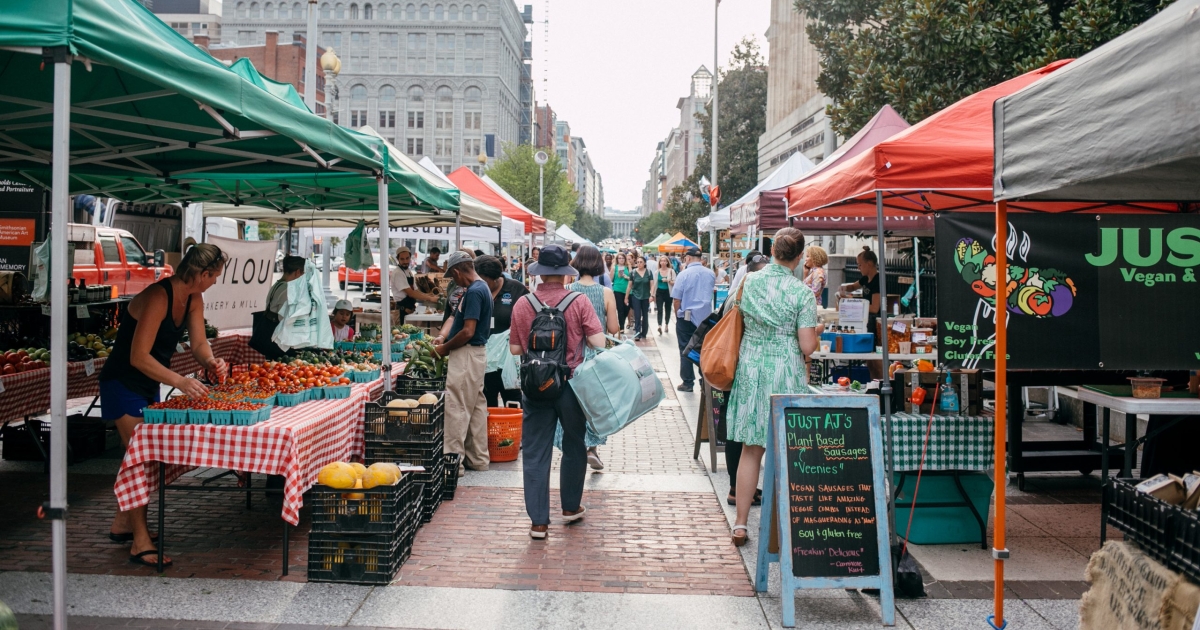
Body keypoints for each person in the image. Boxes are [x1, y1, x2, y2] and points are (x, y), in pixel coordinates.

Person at [101, 244, 230, 567]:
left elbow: (199, 343)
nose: (214, 282)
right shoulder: (160, 296)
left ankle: (122, 524)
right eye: (214, 276)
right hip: (122, 381)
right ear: (202, 274)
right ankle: (139, 542)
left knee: (137, 454)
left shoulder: (193, 298)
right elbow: (137, 356)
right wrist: (181, 381)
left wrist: (211, 361)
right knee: (140, 457)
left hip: (147, 382)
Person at [727, 228, 821, 546]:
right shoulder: (801, 293)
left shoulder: (748, 281)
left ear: (772, 250)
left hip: (751, 369)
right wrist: (817, 331)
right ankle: (786, 528)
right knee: (787, 453)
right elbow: (807, 346)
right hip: (785, 373)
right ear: (798, 258)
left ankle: (740, 524)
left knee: (750, 451)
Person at [509, 244, 605, 539]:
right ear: (565, 273)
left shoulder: (524, 304)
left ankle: (538, 522)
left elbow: (515, 348)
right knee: (575, 444)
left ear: (539, 273)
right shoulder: (577, 301)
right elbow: (599, 342)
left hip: (535, 386)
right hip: (570, 385)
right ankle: (570, 507)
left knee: (536, 452)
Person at [556, 245, 621, 470]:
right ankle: (592, 448)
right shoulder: (606, 293)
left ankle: (575, 446)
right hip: (595, 357)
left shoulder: (566, 290)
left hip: (570, 356)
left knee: (571, 405)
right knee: (593, 406)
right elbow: (613, 328)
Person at [432, 251, 493, 477]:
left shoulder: (475, 291)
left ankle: (453, 462)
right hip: (476, 354)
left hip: (466, 354)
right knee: (476, 406)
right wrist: (444, 337)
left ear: (457, 271)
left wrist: (444, 349)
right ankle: (478, 458)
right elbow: (459, 323)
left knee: (456, 406)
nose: (453, 281)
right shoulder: (481, 287)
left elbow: (468, 331)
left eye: (452, 276)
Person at [718, 250, 769, 506]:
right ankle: (736, 488)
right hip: (737, 367)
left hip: (739, 368)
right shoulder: (740, 295)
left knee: (737, 430)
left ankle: (738, 487)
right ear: (749, 272)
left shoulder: (737, 294)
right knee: (737, 432)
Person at [475, 255, 528, 407]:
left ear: (495, 277)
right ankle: (488, 431)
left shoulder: (516, 288)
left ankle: (513, 430)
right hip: (483, 357)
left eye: (485, 280)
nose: (481, 284)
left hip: (508, 359)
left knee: (513, 399)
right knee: (486, 402)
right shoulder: (476, 290)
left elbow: (530, 316)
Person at [671, 247, 716, 392]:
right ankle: (705, 379)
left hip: (687, 317)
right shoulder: (710, 274)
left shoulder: (683, 275)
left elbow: (677, 299)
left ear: (688, 258)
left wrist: (678, 314)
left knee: (685, 348)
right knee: (704, 348)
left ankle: (688, 382)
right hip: (705, 317)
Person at [837, 246, 882, 378]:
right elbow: (853, 286)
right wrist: (843, 288)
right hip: (865, 321)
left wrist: (856, 304)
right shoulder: (865, 279)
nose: (858, 268)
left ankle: (882, 382)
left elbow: (875, 308)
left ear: (869, 264)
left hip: (874, 322)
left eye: (860, 265)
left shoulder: (877, 281)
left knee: (875, 357)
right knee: (868, 358)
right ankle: (874, 383)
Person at [392, 246, 440, 325]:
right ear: (398, 259)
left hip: (409, 310)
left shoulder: (408, 271)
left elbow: (416, 290)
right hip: (401, 311)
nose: (405, 261)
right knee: (401, 335)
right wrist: (430, 299)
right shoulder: (398, 273)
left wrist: (428, 295)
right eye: (402, 259)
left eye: (407, 258)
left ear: (410, 258)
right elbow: (411, 293)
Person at [627, 256, 653, 340]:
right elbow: (629, 286)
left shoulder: (649, 272)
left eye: (641, 262)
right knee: (637, 315)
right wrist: (626, 297)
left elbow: (652, 285)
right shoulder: (633, 273)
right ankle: (637, 333)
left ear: (644, 263)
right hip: (636, 296)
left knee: (645, 315)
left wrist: (652, 295)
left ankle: (644, 332)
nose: (639, 263)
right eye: (637, 262)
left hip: (646, 297)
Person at [653, 256, 676, 335]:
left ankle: (666, 324)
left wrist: (668, 280)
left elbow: (675, 282)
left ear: (667, 262)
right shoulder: (657, 272)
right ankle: (659, 325)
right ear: (659, 262)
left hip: (668, 292)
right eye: (661, 261)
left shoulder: (671, 271)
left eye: (664, 261)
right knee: (659, 309)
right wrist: (652, 294)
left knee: (668, 309)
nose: (663, 262)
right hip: (659, 292)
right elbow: (655, 284)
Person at [611, 253, 631, 331]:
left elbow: (632, 278)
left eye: (623, 258)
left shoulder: (627, 267)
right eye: (619, 258)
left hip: (627, 290)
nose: (621, 259)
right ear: (617, 259)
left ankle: (622, 320)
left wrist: (626, 277)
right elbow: (610, 279)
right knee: (620, 308)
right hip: (617, 289)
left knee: (627, 308)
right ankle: (622, 327)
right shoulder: (614, 268)